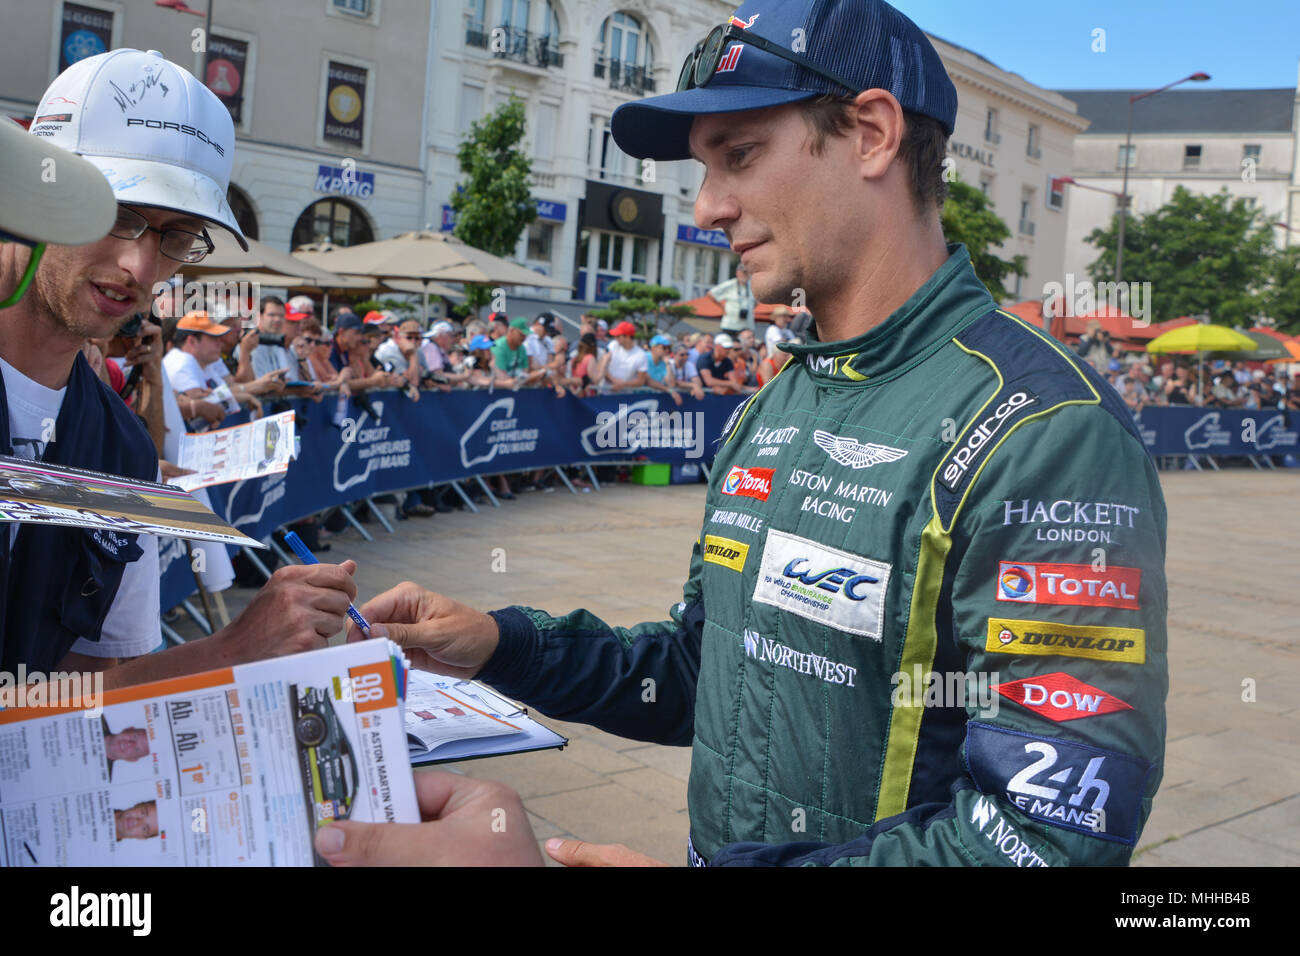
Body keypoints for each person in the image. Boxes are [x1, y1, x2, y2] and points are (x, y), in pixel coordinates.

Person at [323, 0, 1166, 868]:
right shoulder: (777, 402)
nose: (709, 206)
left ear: (872, 134)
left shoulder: (1046, 432)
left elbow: (1047, 834)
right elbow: (702, 675)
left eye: (740, 155)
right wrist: (506, 643)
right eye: (703, 167)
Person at [0, 49, 360, 686]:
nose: (141, 268)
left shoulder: (122, 452)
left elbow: (75, 700)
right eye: (114, 213)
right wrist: (231, 651)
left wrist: (239, 652)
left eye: (176, 235)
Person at [709, 263, 757, 333]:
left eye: (747, 273)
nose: (744, 275)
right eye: (742, 272)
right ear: (737, 273)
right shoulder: (730, 284)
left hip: (747, 325)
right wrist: (722, 307)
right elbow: (711, 294)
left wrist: (750, 308)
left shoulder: (752, 286)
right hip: (730, 325)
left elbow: (757, 301)